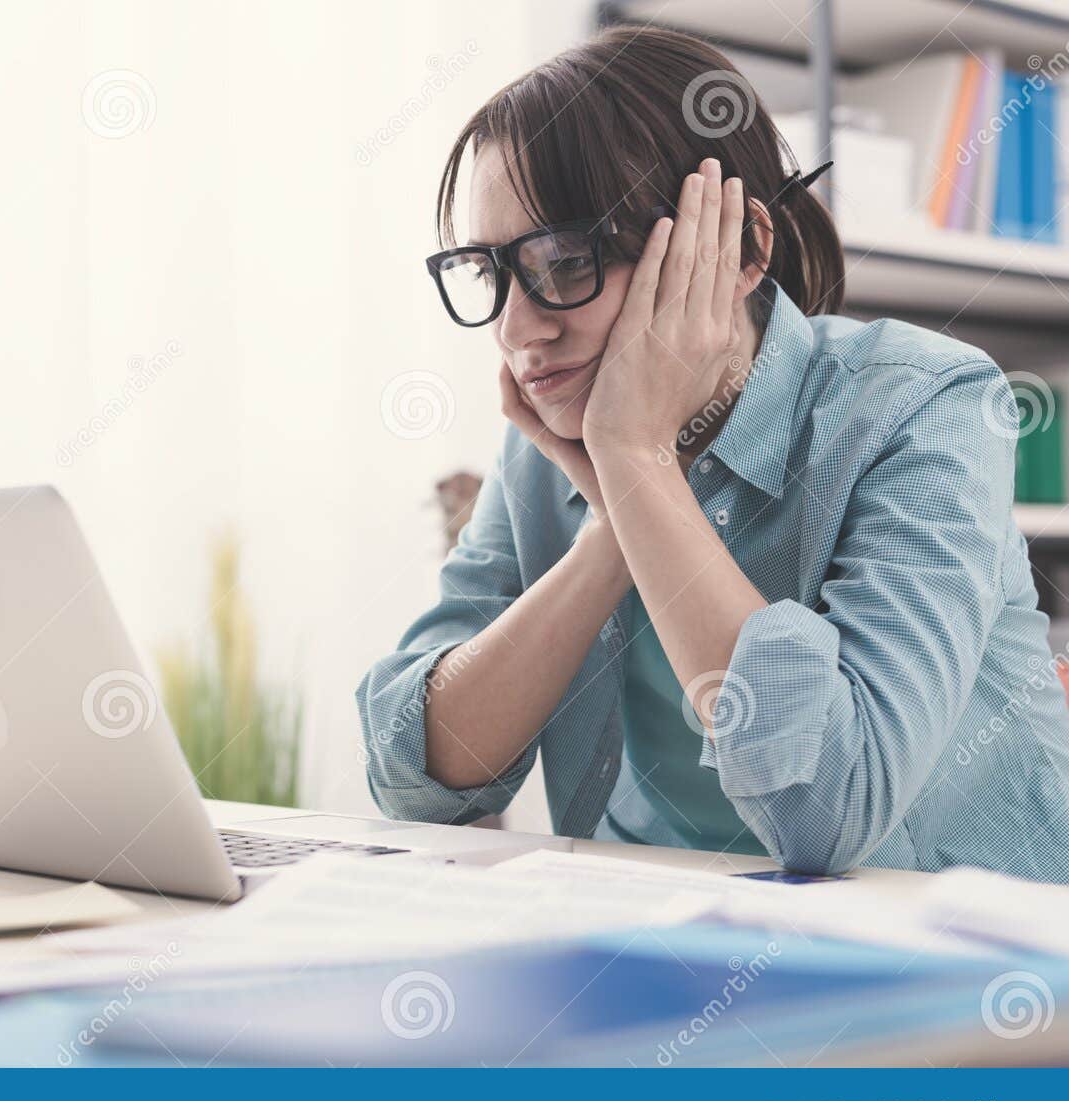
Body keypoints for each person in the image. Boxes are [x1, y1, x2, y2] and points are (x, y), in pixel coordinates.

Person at [355, 26, 1069, 881]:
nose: (517, 327)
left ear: (742, 251)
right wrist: (619, 514)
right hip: (661, 948)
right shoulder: (551, 453)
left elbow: (828, 815)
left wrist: (638, 457)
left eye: (566, 260)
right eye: (489, 273)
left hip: (969, 962)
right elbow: (414, 773)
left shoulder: (924, 406)